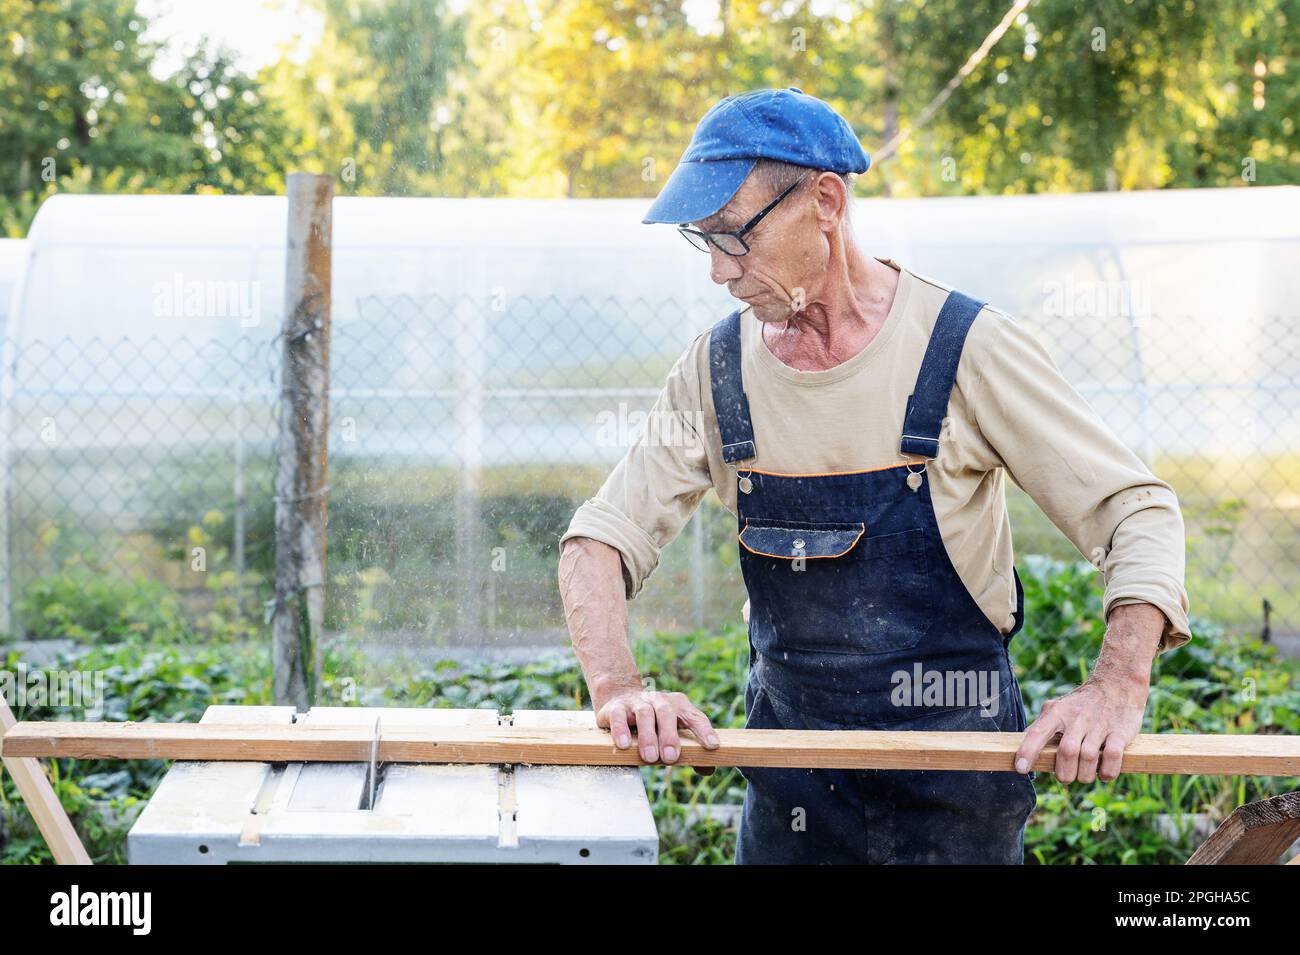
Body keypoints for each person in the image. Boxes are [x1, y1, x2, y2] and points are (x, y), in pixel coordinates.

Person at [557, 87, 1190, 863]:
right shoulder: (717, 372)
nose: (721, 271)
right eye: (704, 241)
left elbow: (1136, 511)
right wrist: (619, 686)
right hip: (792, 794)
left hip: (959, 784)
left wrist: (1117, 685)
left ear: (825, 201)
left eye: (735, 237)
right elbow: (598, 541)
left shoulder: (963, 349)